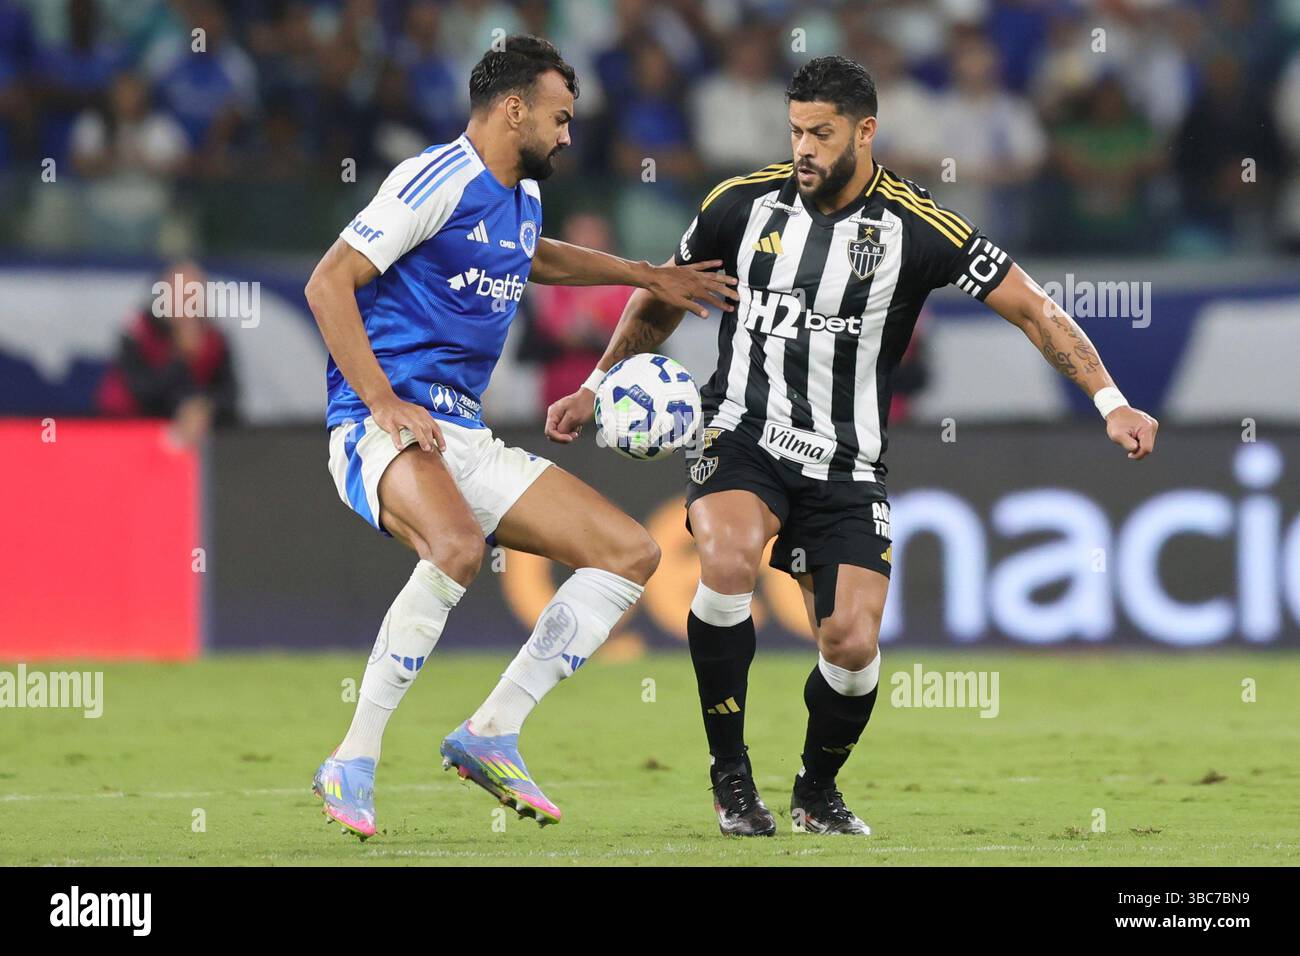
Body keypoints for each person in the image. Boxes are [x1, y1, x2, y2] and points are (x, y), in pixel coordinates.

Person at [545, 55, 1158, 837]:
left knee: (852, 642)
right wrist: (597, 385)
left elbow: (1035, 309)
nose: (803, 147)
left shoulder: (918, 226)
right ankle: (732, 778)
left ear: (866, 132)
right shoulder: (741, 206)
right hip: (741, 431)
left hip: (847, 463)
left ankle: (815, 789)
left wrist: (1110, 400)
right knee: (727, 559)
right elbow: (664, 299)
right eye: (795, 129)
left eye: (821, 133)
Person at [303, 35, 736, 840]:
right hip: (379, 425)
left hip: (459, 432)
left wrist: (645, 274)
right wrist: (383, 400)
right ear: (513, 110)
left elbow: (534, 257)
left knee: (629, 553)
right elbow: (327, 282)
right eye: (560, 118)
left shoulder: (523, 198)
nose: (569, 136)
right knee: (458, 547)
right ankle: (353, 756)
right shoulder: (438, 176)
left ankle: (491, 732)